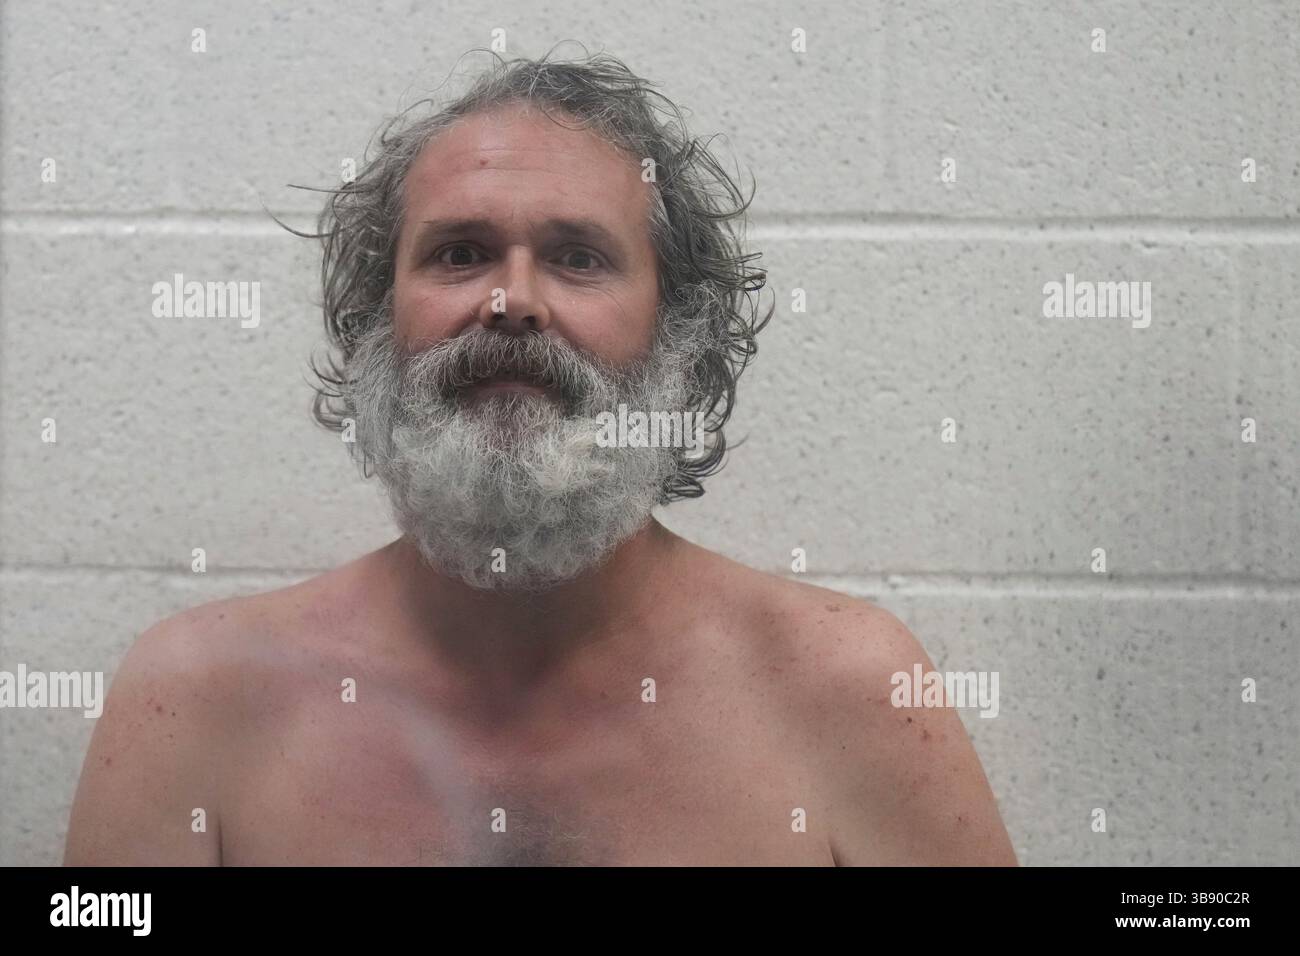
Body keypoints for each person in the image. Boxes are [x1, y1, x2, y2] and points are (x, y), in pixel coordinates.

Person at [64, 50, 1016, 866]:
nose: (513, 300)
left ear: (678, 334)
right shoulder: (191, 702)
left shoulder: (850, 688)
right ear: (374, 325)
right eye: (459, 253)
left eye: (579, 258)